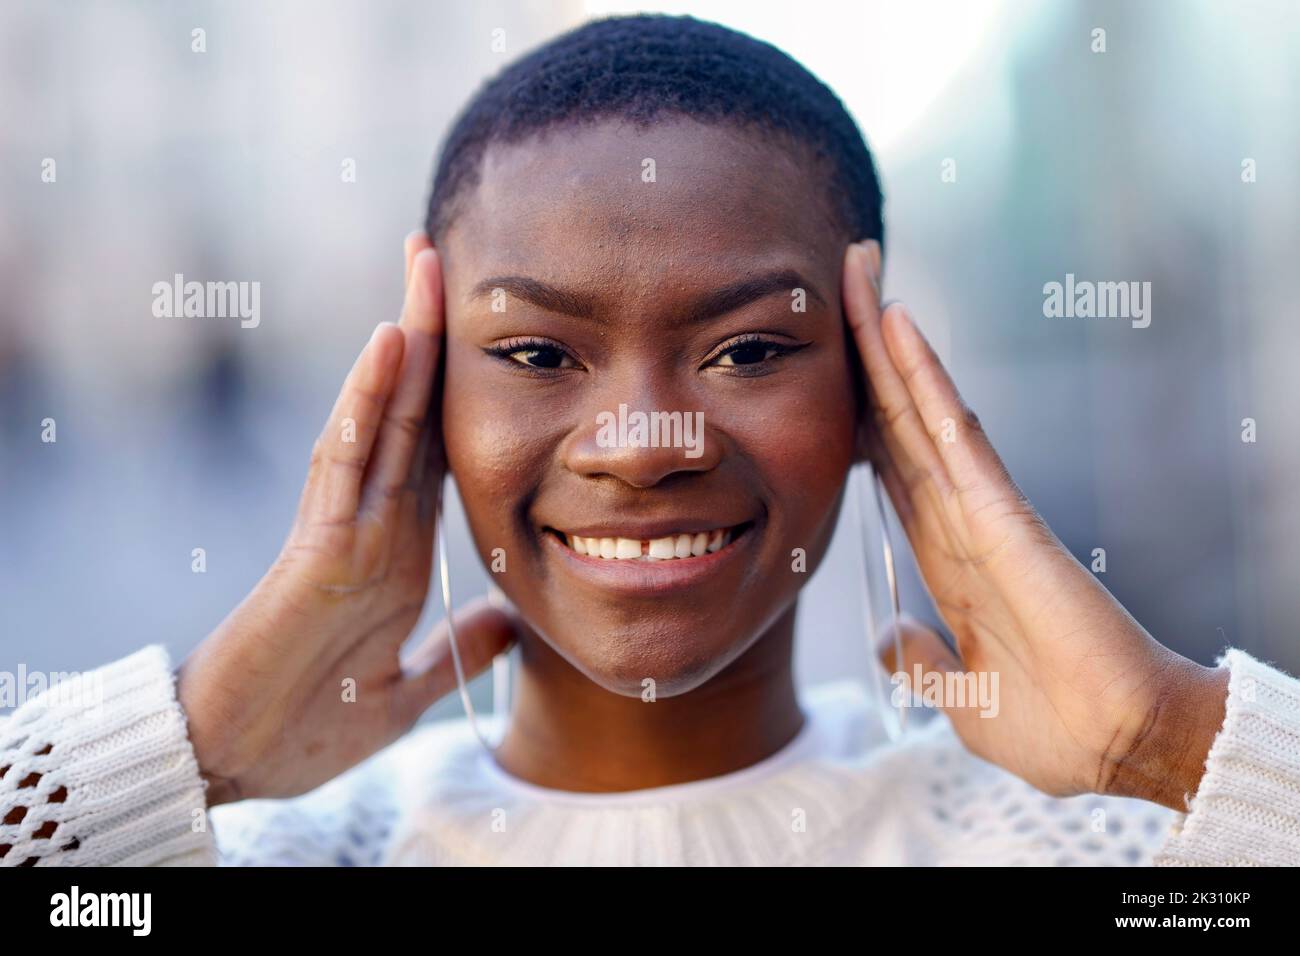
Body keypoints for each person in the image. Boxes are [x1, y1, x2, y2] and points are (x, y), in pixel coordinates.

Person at [4, 14, 1299, 867]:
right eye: (534, 355)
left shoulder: (1097, 852)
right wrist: (194, 747)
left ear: (874, 390)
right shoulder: (256, 854)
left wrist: (1171, 744)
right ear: (425, 402)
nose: (642, 442)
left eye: (747, 350)